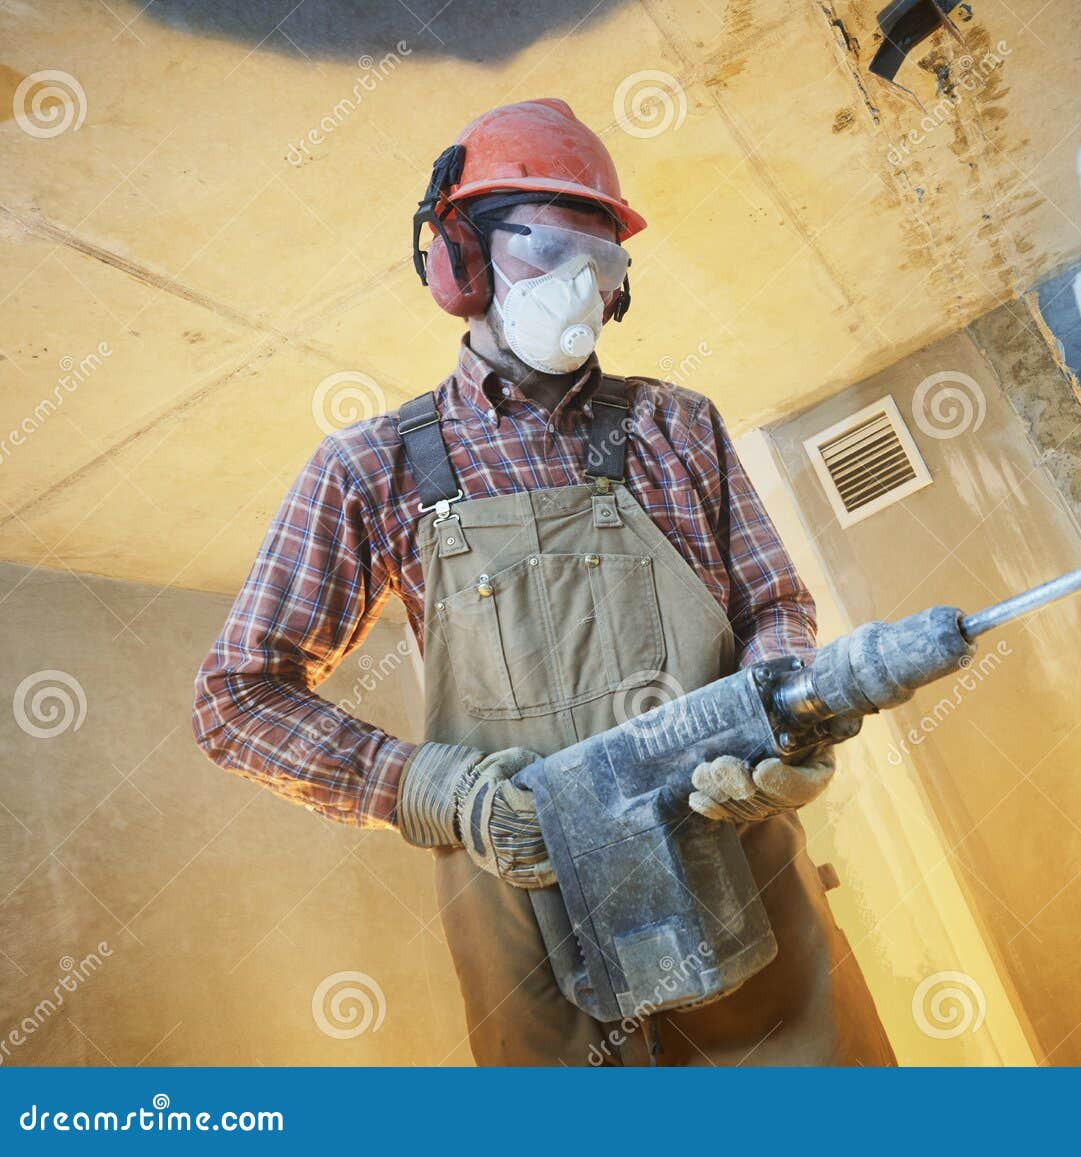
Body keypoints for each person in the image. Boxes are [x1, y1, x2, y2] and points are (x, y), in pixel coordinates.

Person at [193, 99, 894, 1067]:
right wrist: (429, 787)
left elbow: (772, 608)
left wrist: (782, 720)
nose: (579, 290)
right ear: (460, 262)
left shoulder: (676, 428)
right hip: (534, 939)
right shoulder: (374, 470)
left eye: (602, 266)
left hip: (739, 895)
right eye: (548, 251)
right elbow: (235, 699)